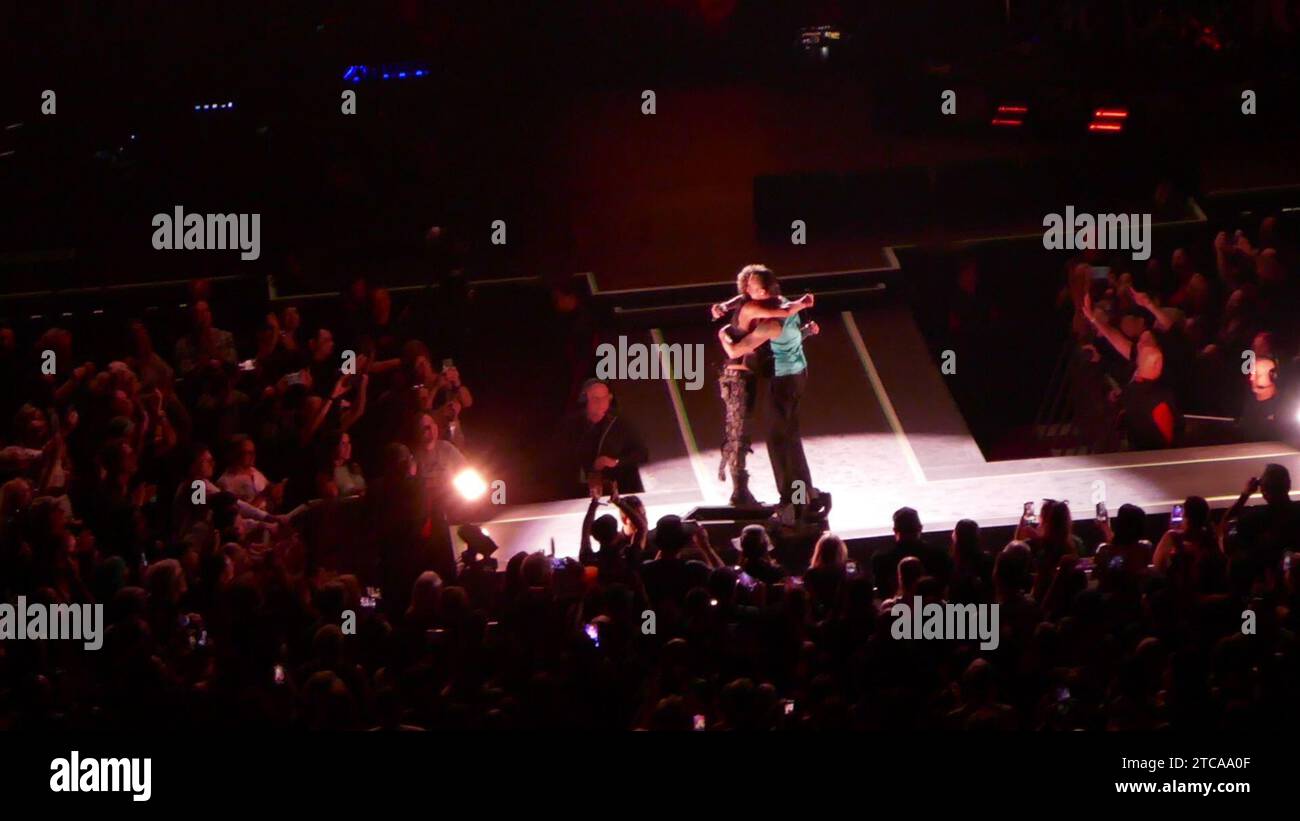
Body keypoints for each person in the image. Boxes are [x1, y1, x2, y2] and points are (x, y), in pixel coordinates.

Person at [716, 266, 821, 522]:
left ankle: (792, 499)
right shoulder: (784, 303)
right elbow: (749, 302)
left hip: (783, 381)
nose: (751, 293)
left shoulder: (770, 325)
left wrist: (722, 335)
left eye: (756, 289)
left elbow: (735, 350)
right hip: (798, 375)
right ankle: (804, 492)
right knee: (790, 436)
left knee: (779, 441)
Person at [560, 379, 649, 497]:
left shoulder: (620, 422)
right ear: (585, 400)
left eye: (605, 398)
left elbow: (642, 453)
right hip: (585, 493)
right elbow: (563, 459)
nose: (601, 403)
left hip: (622, 491)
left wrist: (615, 462)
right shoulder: (572, 425)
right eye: (596, 399)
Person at [871, 507, 952, 599]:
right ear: (920, 528)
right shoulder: (939, 556)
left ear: (895, 530)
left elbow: (882, 593)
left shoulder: (881, 559)